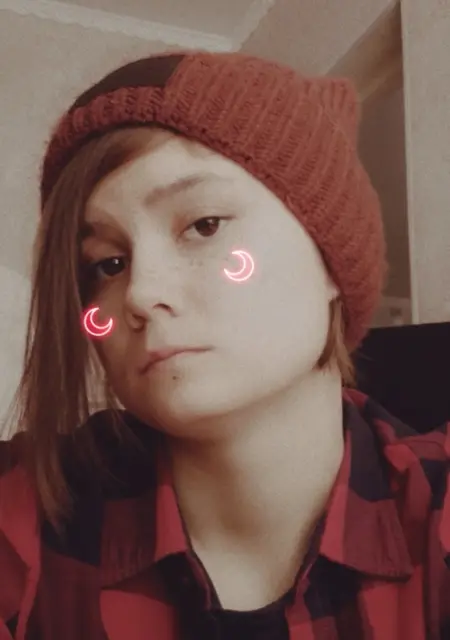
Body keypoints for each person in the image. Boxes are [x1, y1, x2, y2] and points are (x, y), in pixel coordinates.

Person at [0, 50, 449, 640]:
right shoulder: (29, 517)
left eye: (204, 225)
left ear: (330, 262)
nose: (140, 293)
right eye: (107, 263)